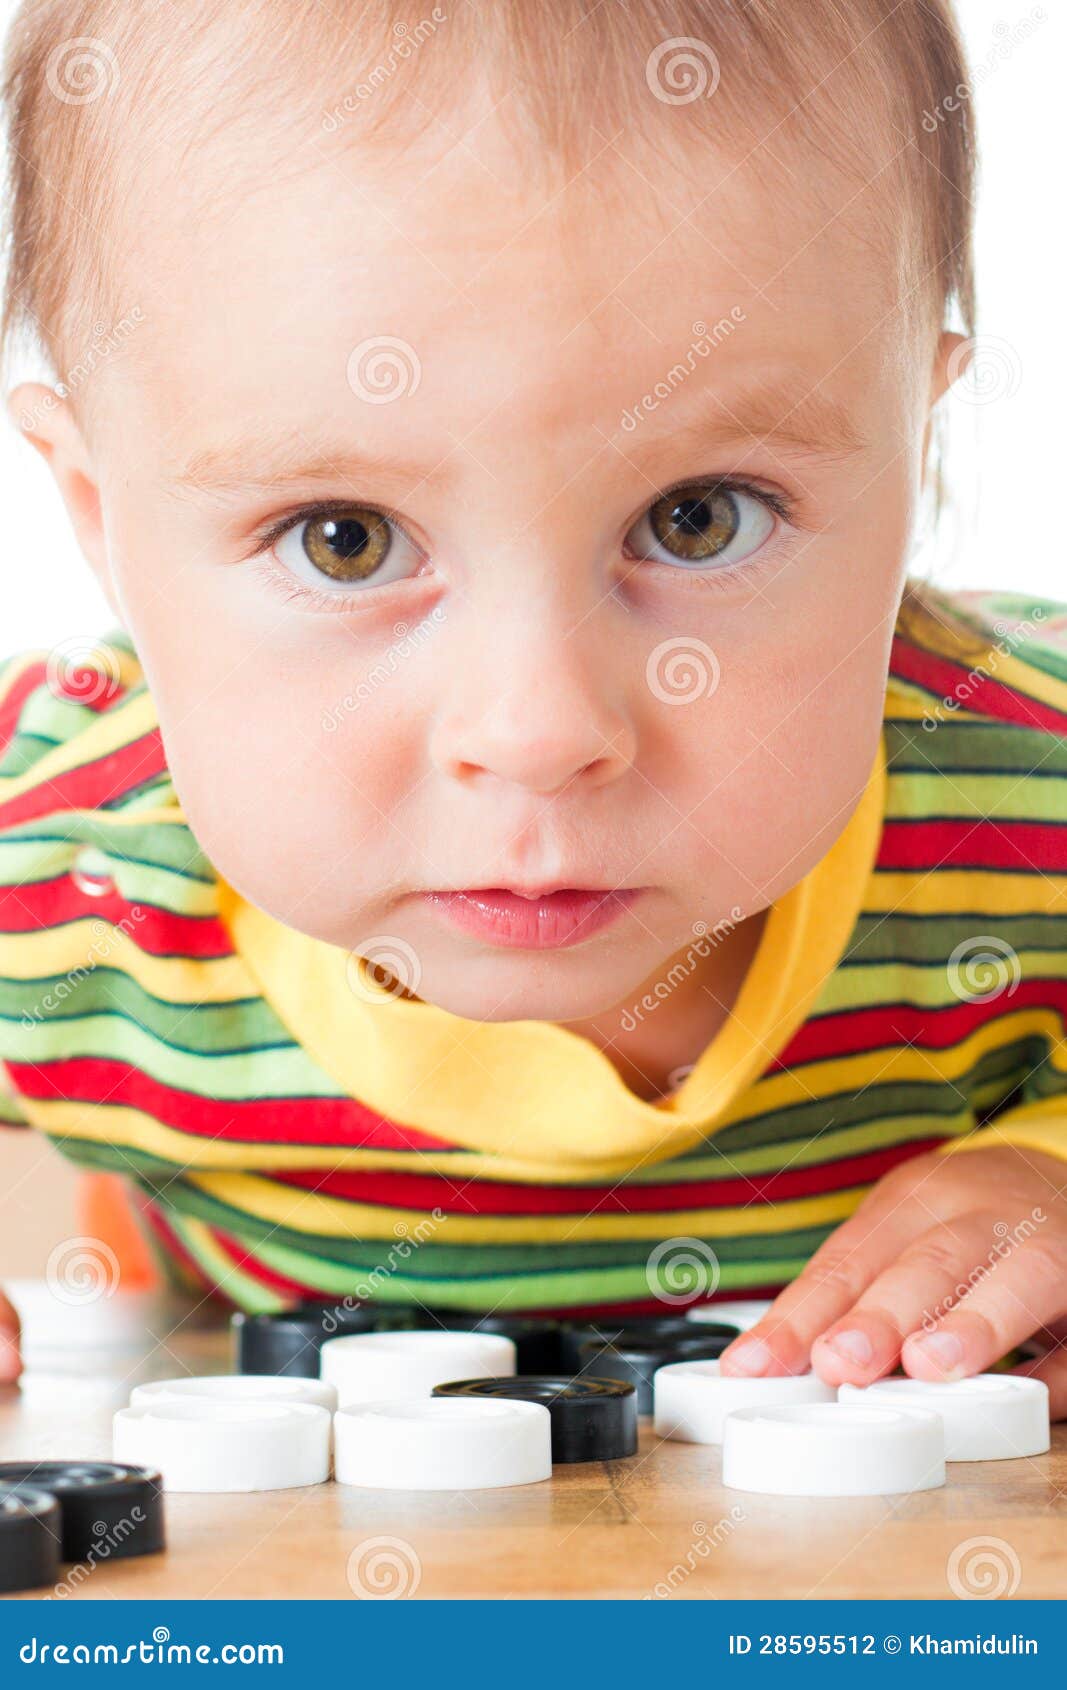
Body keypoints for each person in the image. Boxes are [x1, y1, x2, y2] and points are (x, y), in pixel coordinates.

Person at [1, 0, 1064, 1415]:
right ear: (100, 517)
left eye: (698, 518)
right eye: (346, 538)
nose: (540, 726)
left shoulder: (1023, 788)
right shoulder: (60, 857)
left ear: (914, 445)